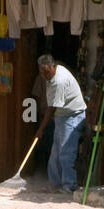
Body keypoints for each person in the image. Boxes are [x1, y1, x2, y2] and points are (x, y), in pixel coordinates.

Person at [36, 54, 87, 193]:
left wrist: (41, 129)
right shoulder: (50, 75)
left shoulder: (59, 81)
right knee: (56, 152)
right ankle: (55, 184)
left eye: (46, 72)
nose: (44, 75)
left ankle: (69, 186)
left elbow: (51, 108)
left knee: (66, 152)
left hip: (72, 116)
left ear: (53, 66)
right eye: (41, 72)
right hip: (62, 116)